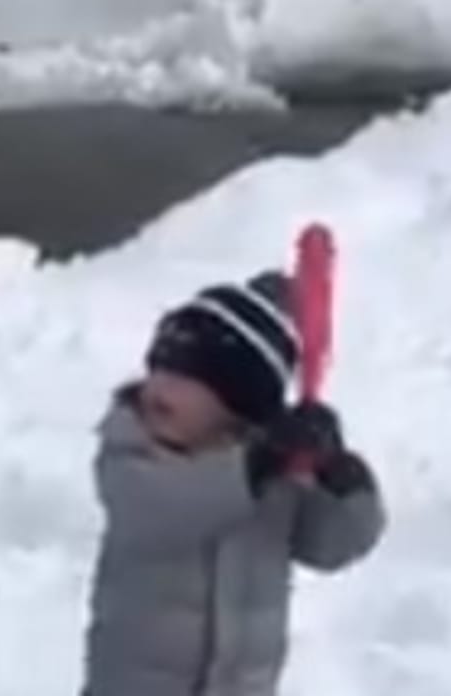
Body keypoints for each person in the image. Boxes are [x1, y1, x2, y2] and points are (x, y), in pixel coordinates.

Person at [82, 270, 387, 696]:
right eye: (159, 367)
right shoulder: (131, 454)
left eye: (188, 377)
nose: (159, 387)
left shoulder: (274, 478)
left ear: (239, 405)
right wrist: (259, 464)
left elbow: (331, 544)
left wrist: (340, 476)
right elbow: (173, 509)